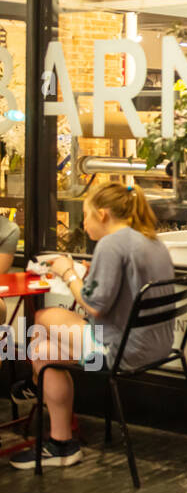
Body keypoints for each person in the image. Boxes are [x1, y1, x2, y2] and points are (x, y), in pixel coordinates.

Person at [9, 183, 175, 470]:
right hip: (158, 346)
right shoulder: (151, 240)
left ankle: (36, 388)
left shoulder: (112, 244)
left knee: (42, 320)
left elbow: (95, 305)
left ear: (103, 214)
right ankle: (61, 442)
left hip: (119, 352)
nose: (83, 224)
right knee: (44, 350)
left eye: (85, 216)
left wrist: (67, 272)